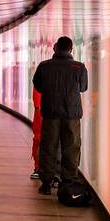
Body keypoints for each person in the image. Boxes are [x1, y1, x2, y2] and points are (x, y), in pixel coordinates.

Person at [32, 36, 88, 195]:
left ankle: (46, 183)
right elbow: (83, 88)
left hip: (50, 113)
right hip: (72, 115)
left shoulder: (44, 66)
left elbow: (38, 86)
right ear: (71, 49)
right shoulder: (79, 67)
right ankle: (68, 181)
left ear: (55, 48)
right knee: (71, 147)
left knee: (48, 147)